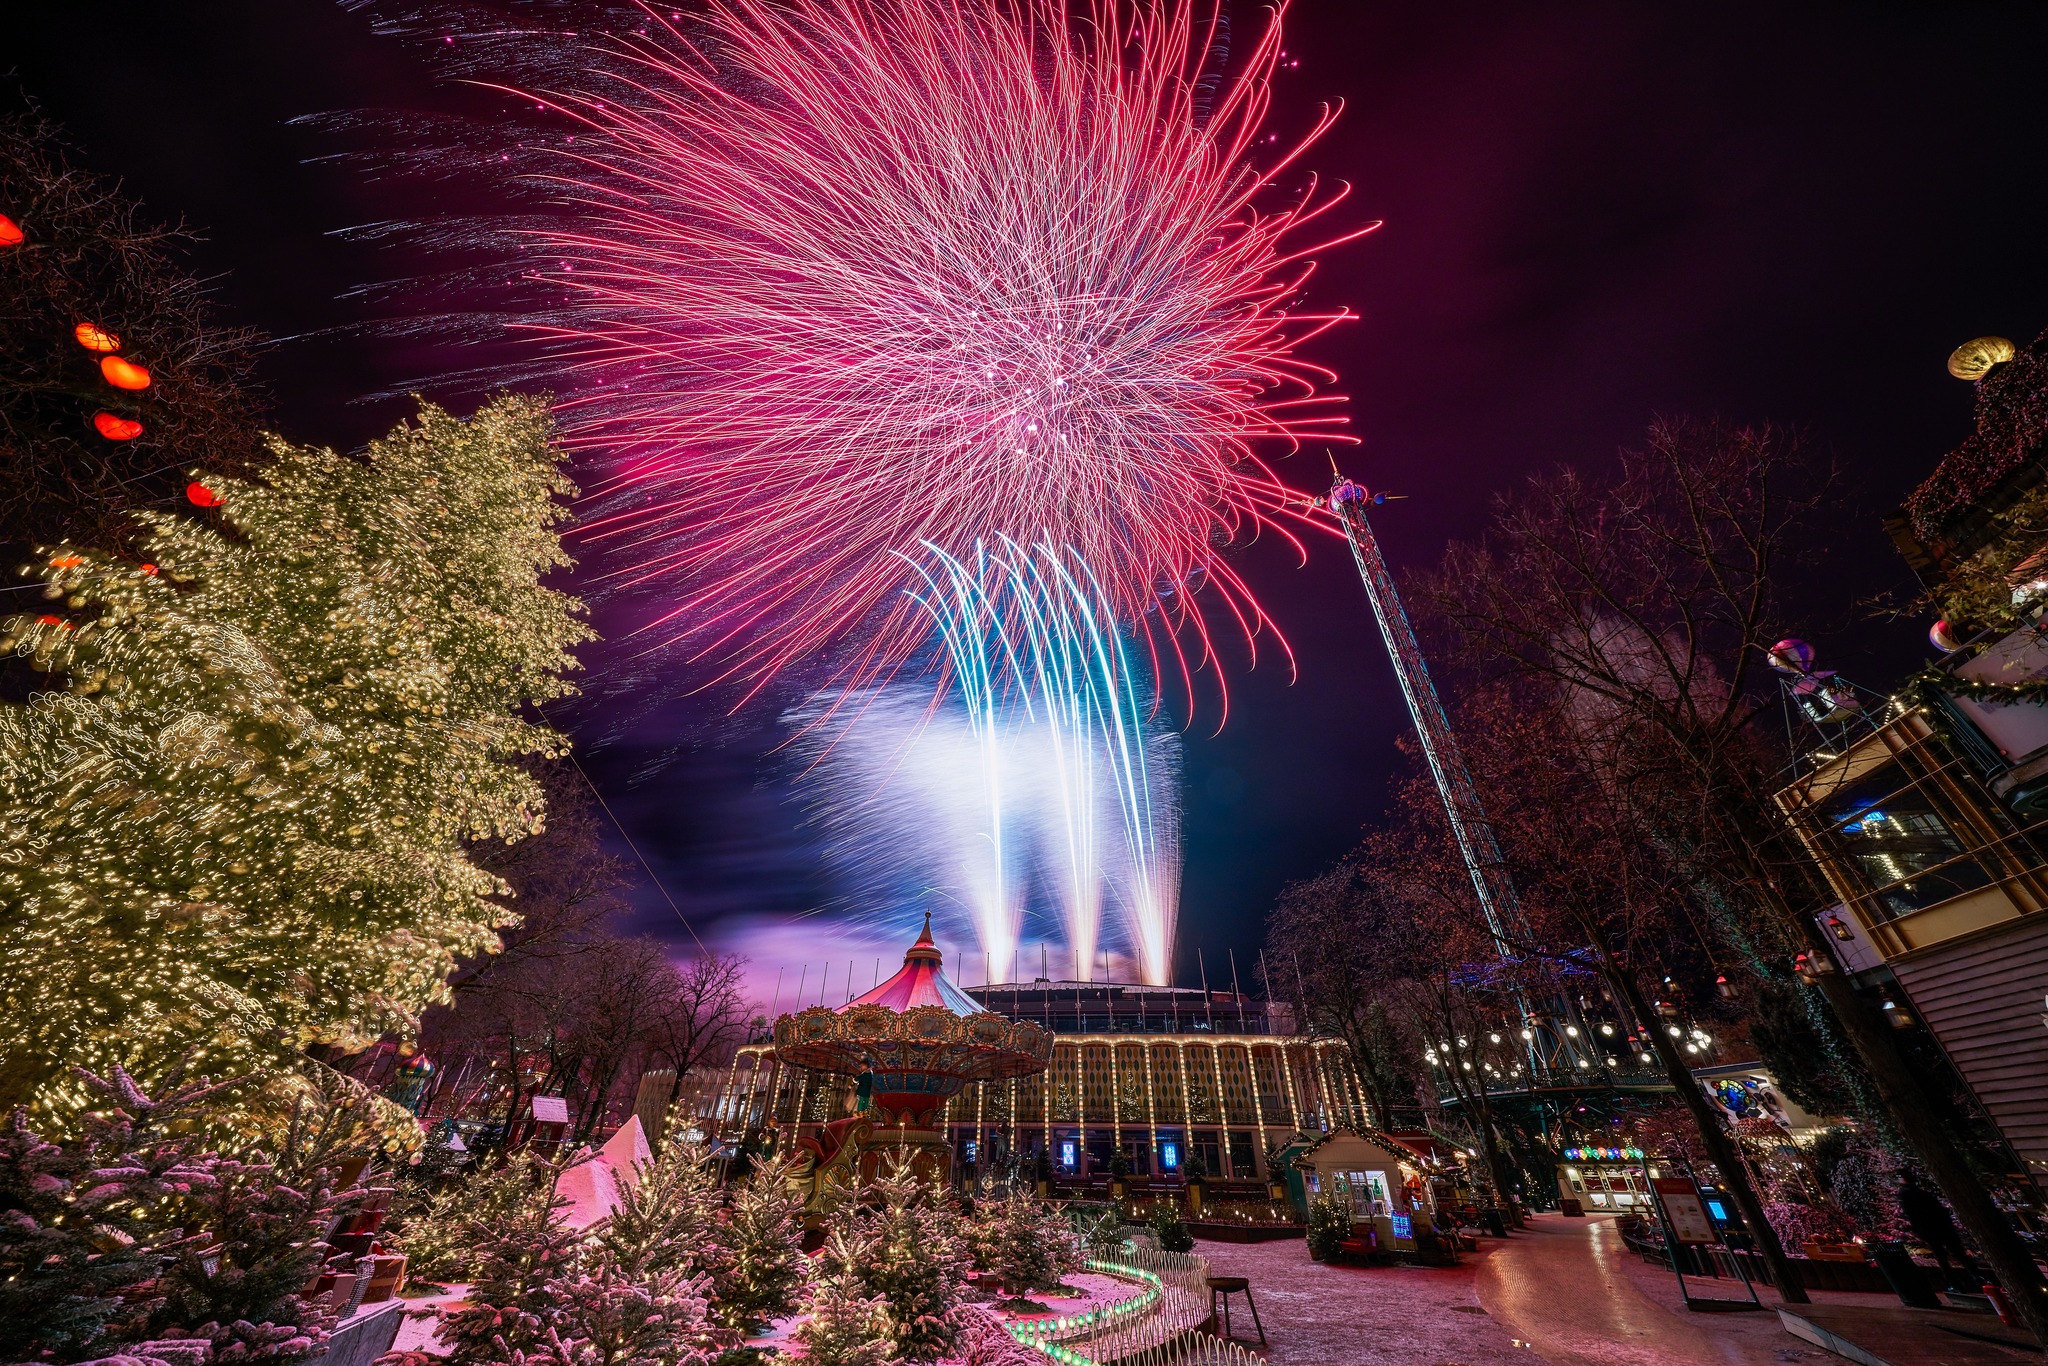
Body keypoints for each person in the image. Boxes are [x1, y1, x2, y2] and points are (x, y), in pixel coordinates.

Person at [1898, 1171, 1977, 1281]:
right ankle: (1976, 1276)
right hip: (1942, 1226)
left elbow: (1910, 1213)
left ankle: (1953, 1282)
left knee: (1941, 1256)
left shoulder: (1905, 1193)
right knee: (1957, 1252)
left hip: (1929, 1228)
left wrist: (1918, 1229)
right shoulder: (1923, 1193)